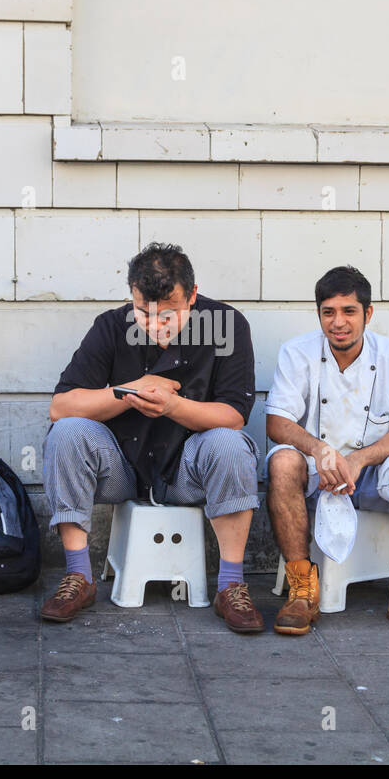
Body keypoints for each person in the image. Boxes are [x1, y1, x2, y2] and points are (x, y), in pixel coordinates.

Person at [40, 243, 263, 632]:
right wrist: (130, 391)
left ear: (192, 296)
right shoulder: (111, 325)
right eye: (144, 312)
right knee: (68, 431)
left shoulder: (227, 325)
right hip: (122, 467)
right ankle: (79, 576)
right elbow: (61, 405)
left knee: (229, 443)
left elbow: (234, 415)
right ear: (131, 296)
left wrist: (173, 408)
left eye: (169, 313)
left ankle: (231, 584)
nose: (156, 323)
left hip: (188, 470)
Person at [265, 265, 389, 637]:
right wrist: (321, 451)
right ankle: (301, 588)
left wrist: (358, 459)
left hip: (374, 469)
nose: (338, 322)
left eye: (349, 311)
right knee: (284, 461)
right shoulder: (296, 353)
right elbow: (277, 425)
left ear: (368, 314)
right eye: (328, 312)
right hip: (316, 466)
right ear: (318, 313)